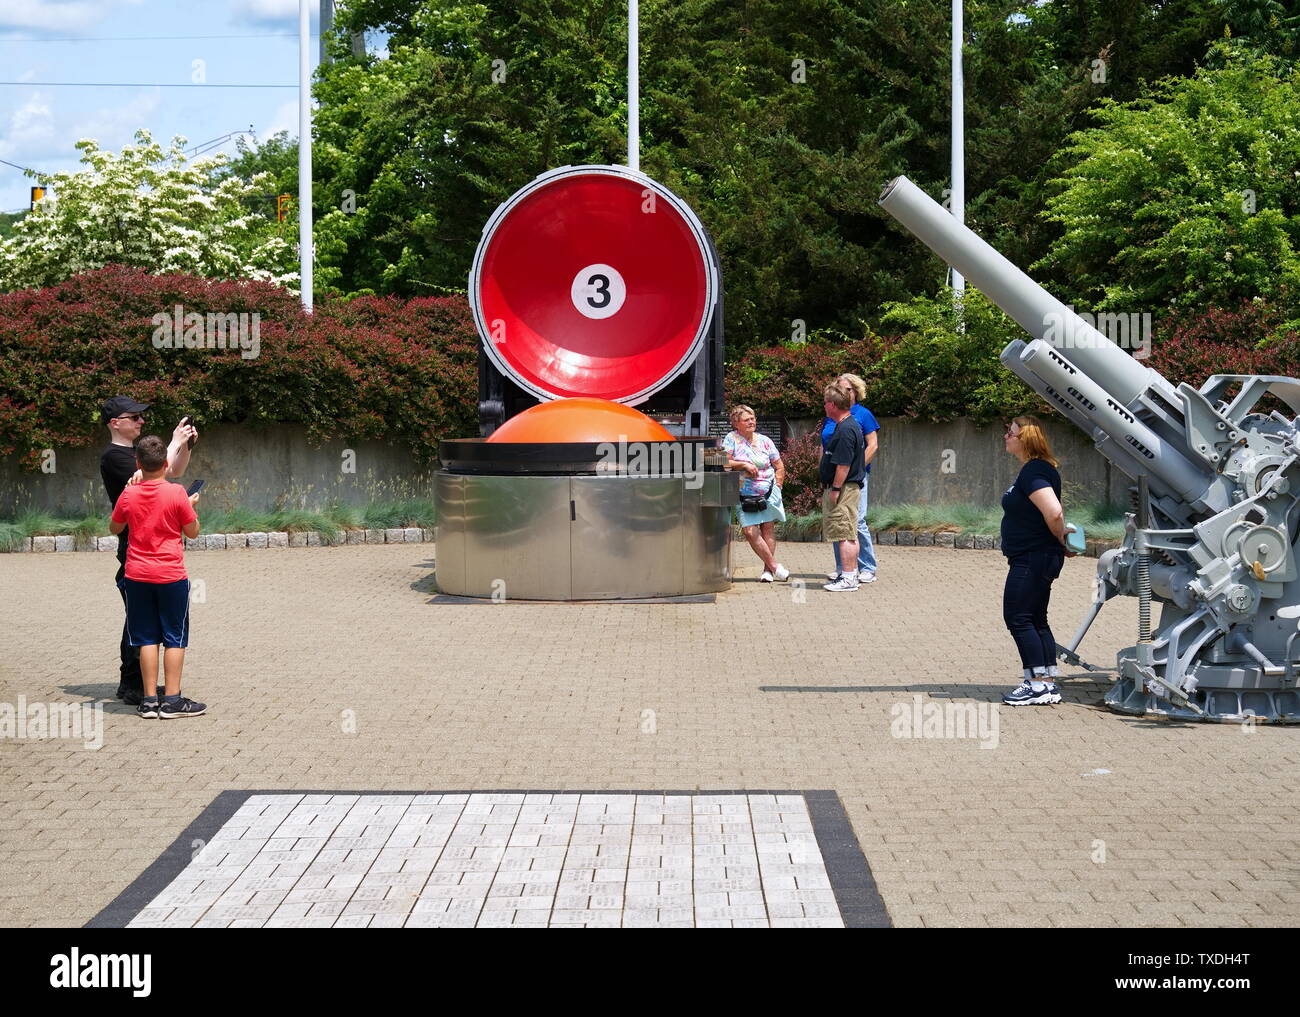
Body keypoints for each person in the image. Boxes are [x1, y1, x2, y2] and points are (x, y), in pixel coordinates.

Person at [99, 397, 197, 706]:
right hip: (136, 548)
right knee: (140, 620)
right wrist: (173, 441)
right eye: (134, 417)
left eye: (142, 417)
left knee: (143, 618)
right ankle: (132, 684)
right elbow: (155, 470)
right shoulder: (114, 457)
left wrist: (186, 446)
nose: (141, 422)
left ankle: (147, 688)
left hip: (146, 553)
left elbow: (171, 471)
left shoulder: (136, 455)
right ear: (116, 422)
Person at [999, 415, 1077, 706]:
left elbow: (1054, 512)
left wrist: (1059, 539)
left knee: (1018, 617)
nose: (1006, 436)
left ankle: (1036, 684)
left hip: (1033, 556)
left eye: (1011, 432)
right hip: (1037, 555)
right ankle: (1046, 682)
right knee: (1034, 617)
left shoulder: (1033, 471)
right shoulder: (1036, 469)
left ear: (1026, 438)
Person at [820, 373, 880, 584]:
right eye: (840, 388)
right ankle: (844, 567)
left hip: (851, 477)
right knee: (838, 522)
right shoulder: (832, 417)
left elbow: (872, 445)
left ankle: (867, 567)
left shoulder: (861, 415)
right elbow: (826, 444)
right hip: (835, 474)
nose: (843, 392)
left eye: (847, 389)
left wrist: (855, 470)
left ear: (855, 391)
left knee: (856, 520)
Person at [723, 404, 790, 582]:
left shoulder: (765, 441)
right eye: (747, 419)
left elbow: (779, 465)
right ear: (736, 423)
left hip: (769, 492)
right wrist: (743, 464)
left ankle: (768, 571)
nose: (752, 421)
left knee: (767, 527)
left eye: (753, 418)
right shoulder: (731, 439)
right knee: (749, 531)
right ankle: (776, 566)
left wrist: (778, 486)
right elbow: (725, 462)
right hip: (744, 494)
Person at [819, 385, 866, 592]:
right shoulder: (845, 425)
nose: (824, 406)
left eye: (826, 402)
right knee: (848, 532)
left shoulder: (847, 429)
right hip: (846, 488)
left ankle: (848, 579)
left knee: (845, 532)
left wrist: (836, 489)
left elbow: (844, 464)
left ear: (833, 405)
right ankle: (850, 574)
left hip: (844, 488)